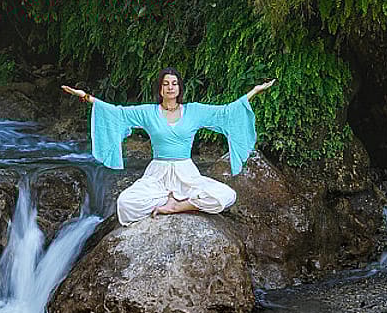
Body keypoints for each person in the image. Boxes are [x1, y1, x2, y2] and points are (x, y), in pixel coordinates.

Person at [61, 69, 275, 225]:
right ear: (160, 89)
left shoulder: (194, 111)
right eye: (166, 84)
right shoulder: (148, 112)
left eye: (174, 83)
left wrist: (254, 91)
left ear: (179, 88)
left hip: (187, 173)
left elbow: (227, 112)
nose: (170, 87)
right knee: (125, 204)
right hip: (157, 173)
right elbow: (118, 113)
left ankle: (178, 205)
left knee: (227, 195)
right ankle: (168, 199)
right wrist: (86, 97)